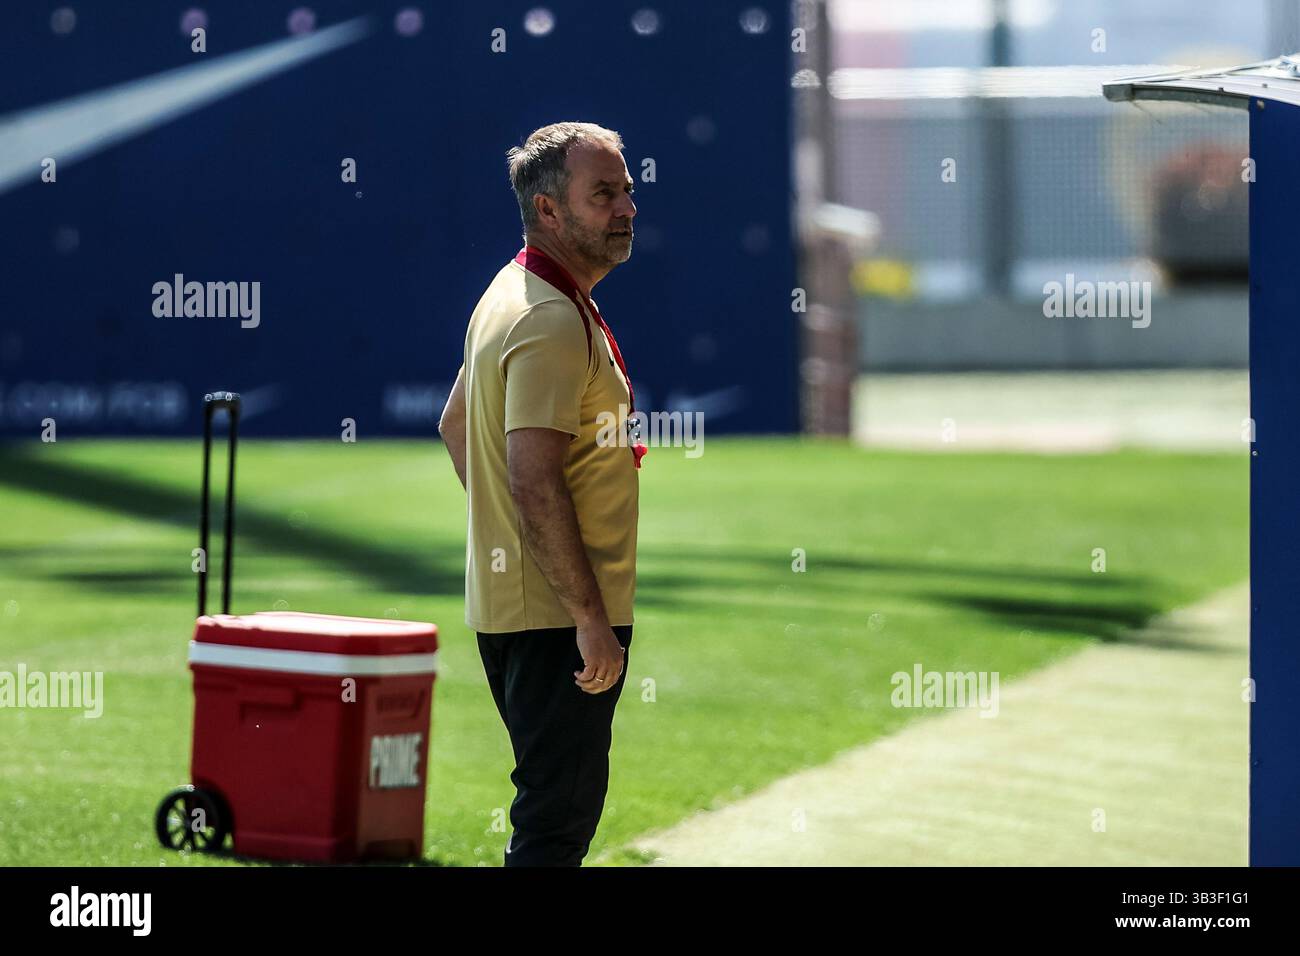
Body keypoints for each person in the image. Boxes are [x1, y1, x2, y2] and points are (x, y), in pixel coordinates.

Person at [437, 121, 643, 866]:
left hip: (523, 606)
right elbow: (531, 477)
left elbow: (457, 426)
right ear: (550, 211)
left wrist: (505, 548)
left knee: (551, 814)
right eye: (604, 194)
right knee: (554, 830)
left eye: (625, 189)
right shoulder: (549, 316)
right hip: (558, 618)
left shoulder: (512, 290)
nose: (626, 207)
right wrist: (587, 616)